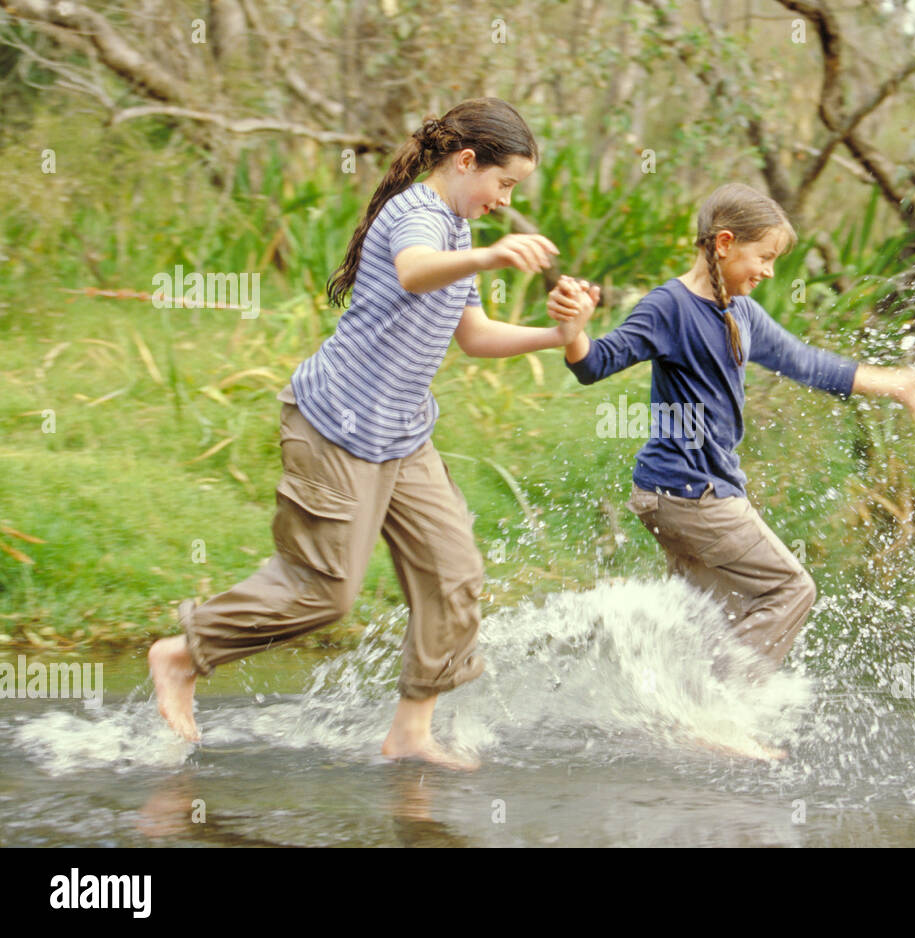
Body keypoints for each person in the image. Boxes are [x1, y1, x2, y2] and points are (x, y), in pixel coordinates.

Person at [148, 97, 597, 769]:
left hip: (402, 433)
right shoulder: (416, 213)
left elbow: (472, 337)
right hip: (334, 426)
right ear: (467, 162)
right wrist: (495, 258)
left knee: (453, 573)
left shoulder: (460, 229)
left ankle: (411, 732)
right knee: (325, 592)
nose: (505, 200)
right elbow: (414, 272)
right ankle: (185, 652)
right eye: (503, 184)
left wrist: (560, 335)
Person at [550, 182, 915, 694]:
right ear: (724, 243)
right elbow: (594, 364)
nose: (768, 271)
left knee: (715, 614)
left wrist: (898, 382)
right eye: (763, 256)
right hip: (693, 495)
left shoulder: (742, 313)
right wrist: (573, 328)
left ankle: (657, 701)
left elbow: (806, 363)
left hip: (670, 495)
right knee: (790, 589)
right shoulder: (669, 307)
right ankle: (720, 709)